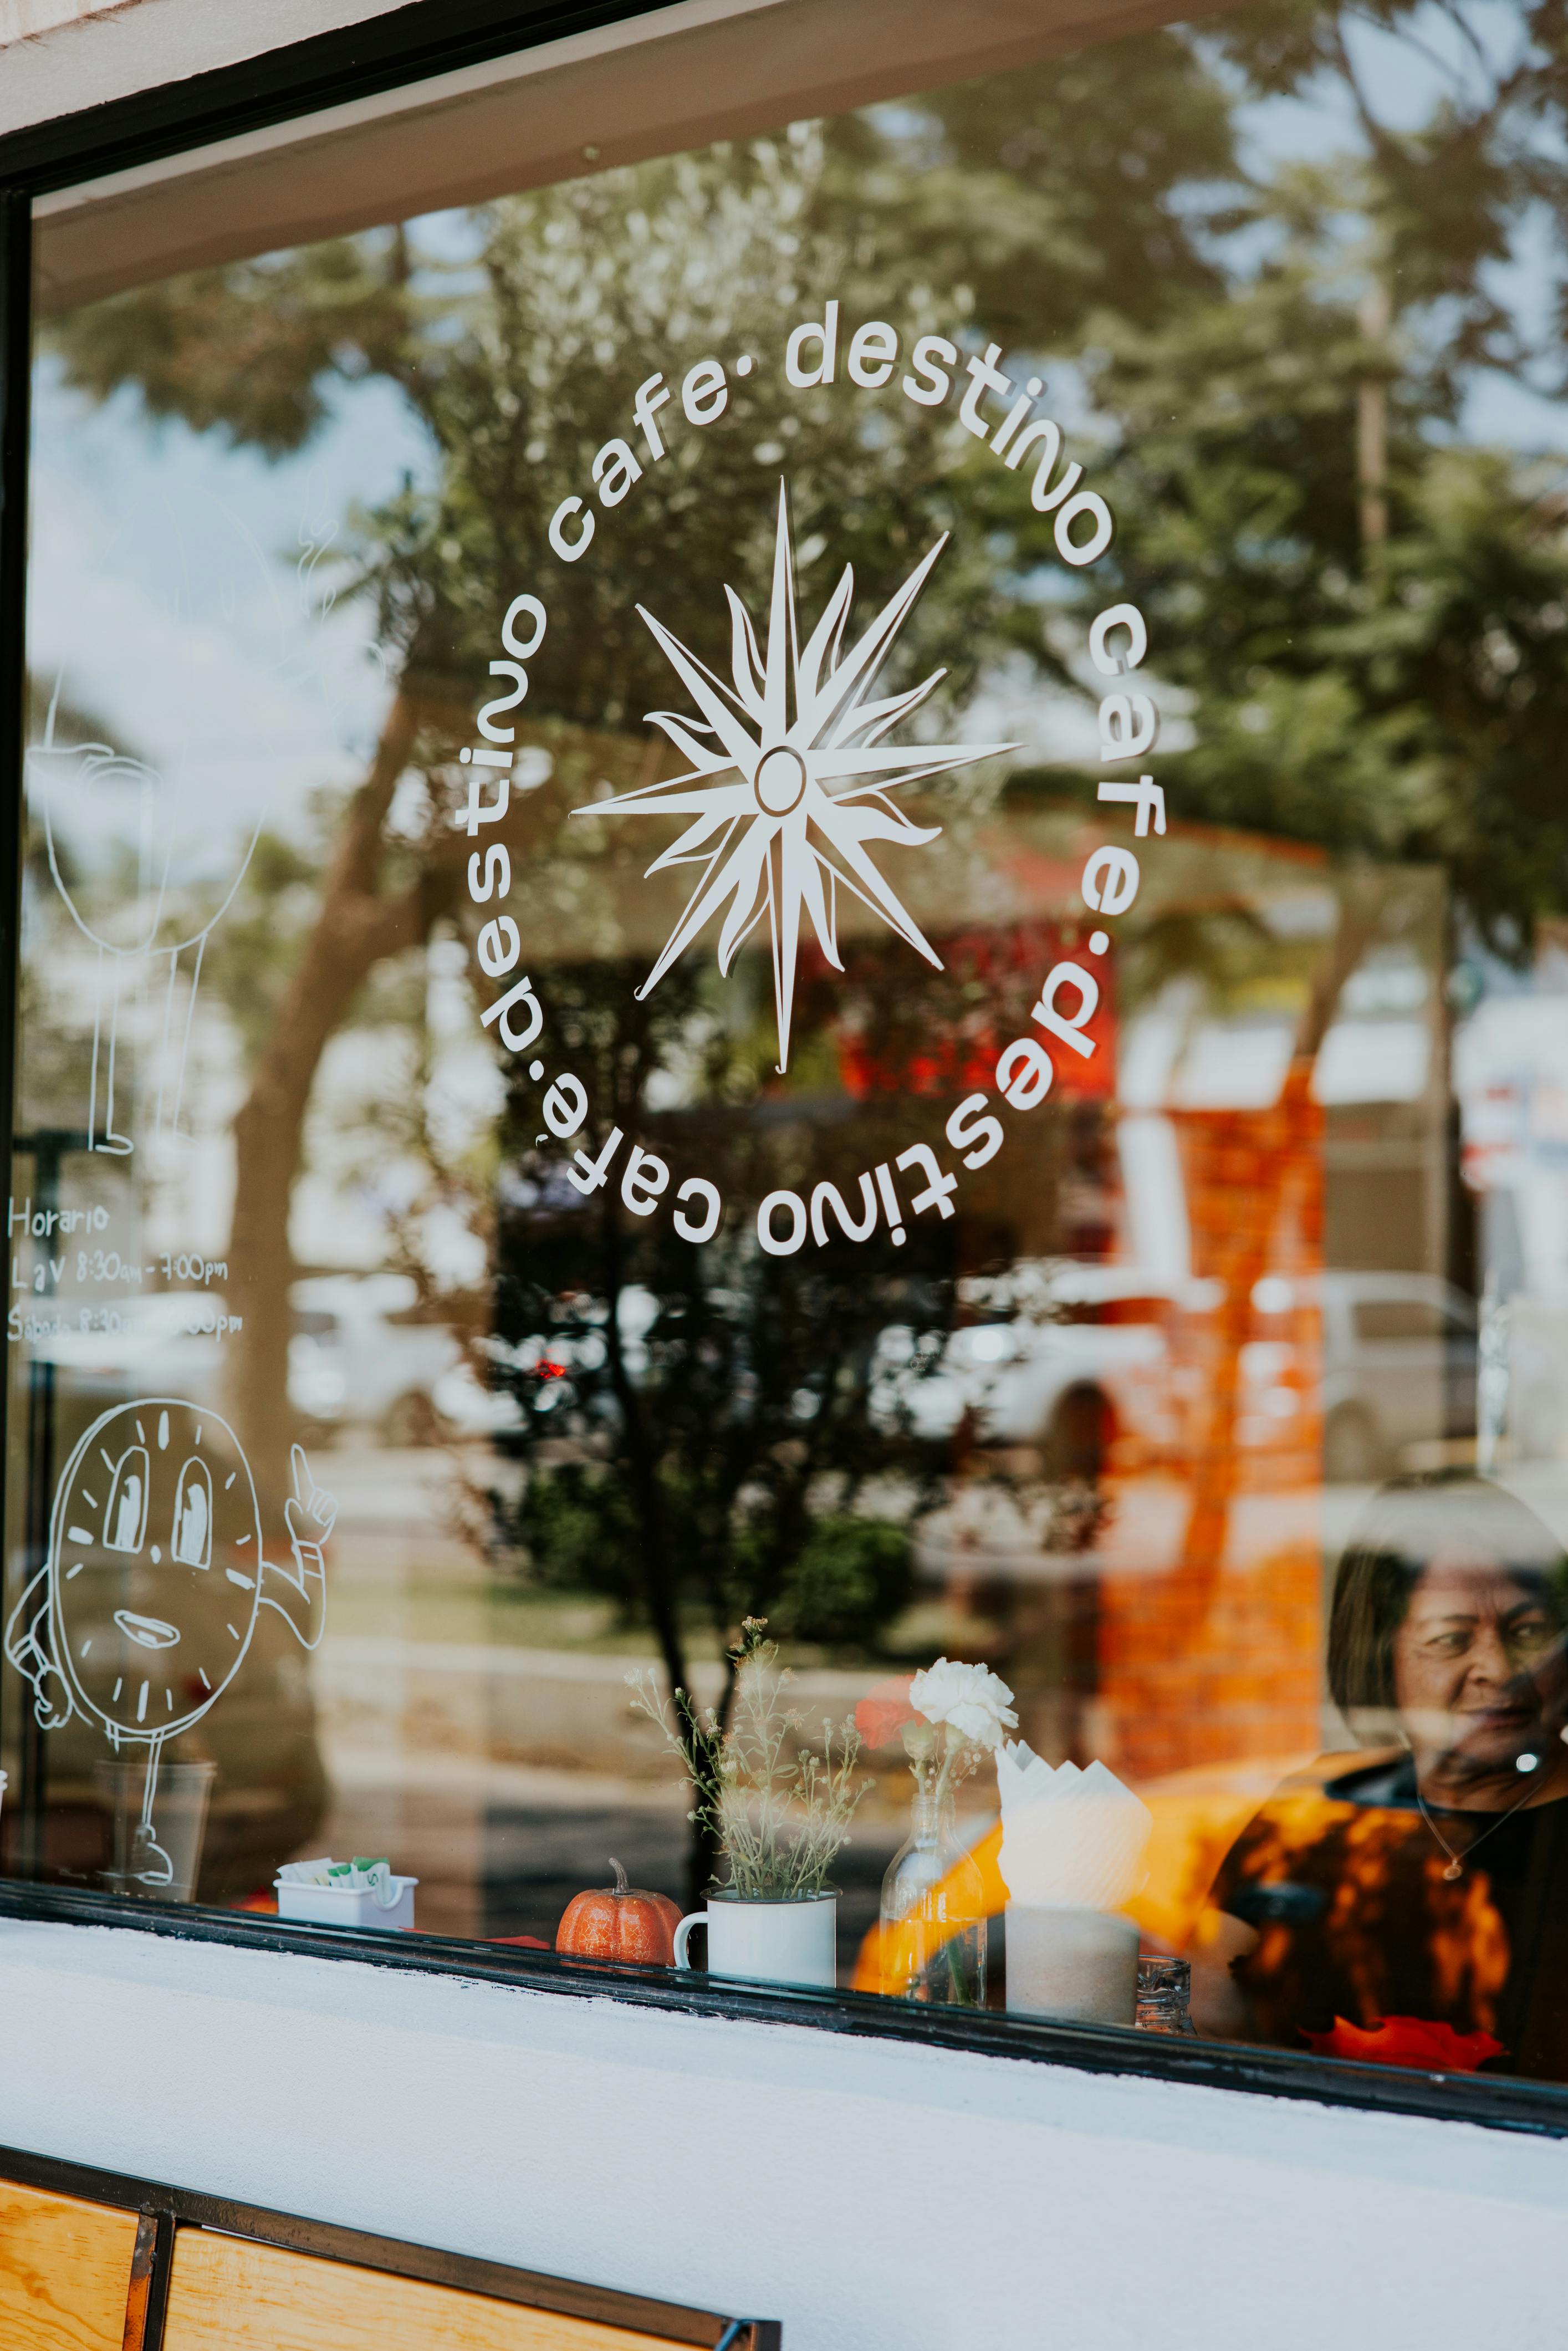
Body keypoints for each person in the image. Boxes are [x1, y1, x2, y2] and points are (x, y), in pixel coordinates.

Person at [1192, 1473, 1568, 2077]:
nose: (1499, 1668)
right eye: (1451, 1639)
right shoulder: (1321, 1808)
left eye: (1529, 1632)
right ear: (1376, 1654)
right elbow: (1209, 2003)